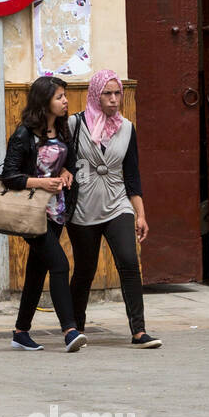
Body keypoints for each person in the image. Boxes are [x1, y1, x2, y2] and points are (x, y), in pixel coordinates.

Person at [67, 70, 161, 348]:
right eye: (107, 94)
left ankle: (139, 331)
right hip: (83, 208)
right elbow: (60, 159)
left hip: (118, 204)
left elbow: (132, 175)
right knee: (85, 269)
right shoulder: (75, 124)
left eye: (117, 93)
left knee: (129, 262)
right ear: (96, 95)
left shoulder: (127, 128)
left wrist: (141, 214)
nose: (113, 99)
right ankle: (75, 329)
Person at [1, 76, 85, 352]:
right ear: (44, 101)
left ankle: (20, 331)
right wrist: (41, 183)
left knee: (37, 270)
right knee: (60, 264)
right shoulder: (24, 134)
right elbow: (10, 176)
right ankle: (70, 330)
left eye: (65, 96)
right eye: (60, 97)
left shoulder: (62, 130)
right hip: (31, 213)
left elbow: (68, 162)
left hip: (56, 211)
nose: (65, 101)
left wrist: (65, 173)